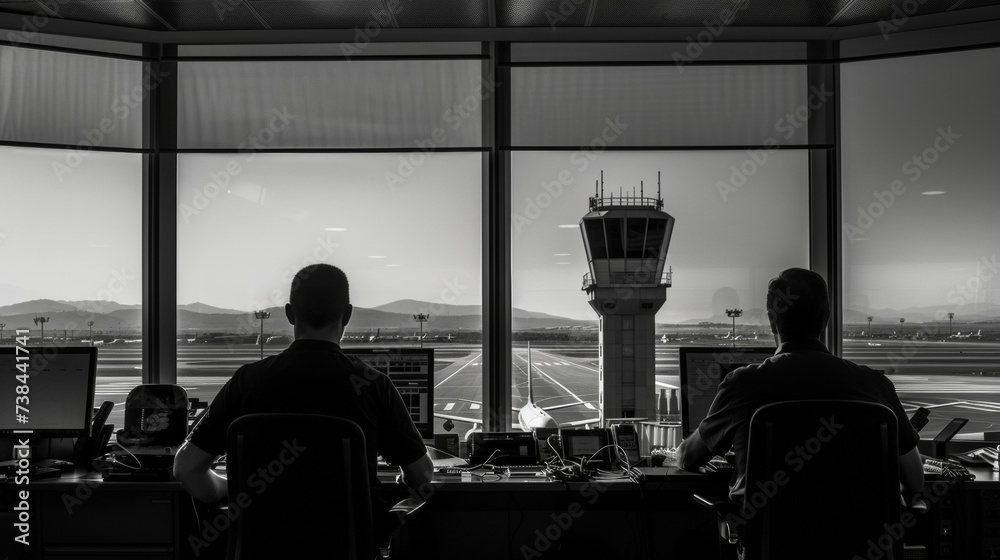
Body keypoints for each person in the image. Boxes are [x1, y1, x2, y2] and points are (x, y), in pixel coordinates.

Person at [173, 263, 433, 543]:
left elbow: (186, 469)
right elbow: (422, 476)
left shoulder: (246, 381)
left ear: (288, 314)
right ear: (347, 315)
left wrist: (232, 490)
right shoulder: (375, 385)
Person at [676, 267, 923, 502]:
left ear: (772, 321)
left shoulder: (744, 385)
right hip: (859, 543)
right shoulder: (876, 386)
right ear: (826, 319)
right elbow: (914, 481)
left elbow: (688, 458)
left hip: (774, 544)